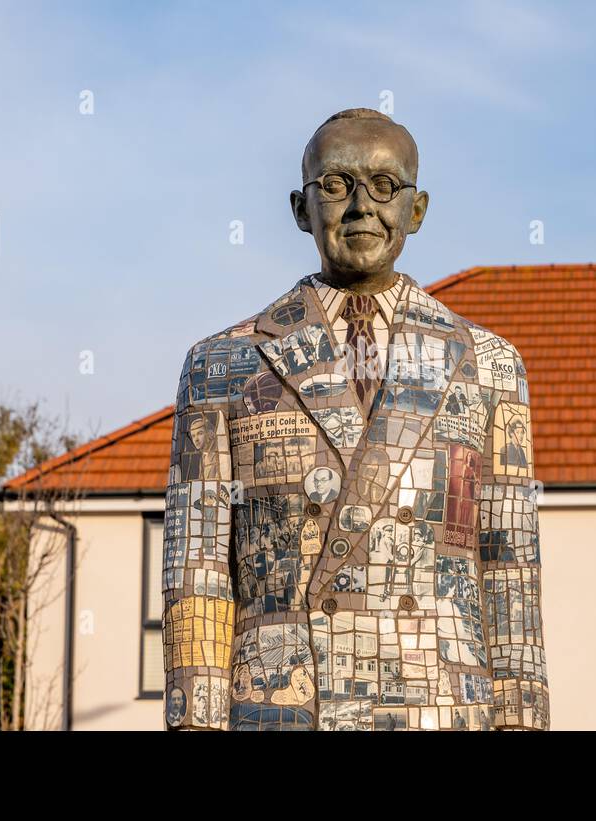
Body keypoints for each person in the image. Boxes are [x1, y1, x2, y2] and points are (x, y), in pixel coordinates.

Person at [165, 108, 548, 731]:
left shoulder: (490, 366)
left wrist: (522, 720)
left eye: (385, 185)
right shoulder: (223, 366)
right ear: (300, 208)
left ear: (417, 210)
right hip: (284, 708)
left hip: (443, 712)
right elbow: (197, 572)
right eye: (337, 184)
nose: (362, 206)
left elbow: (510, 567)